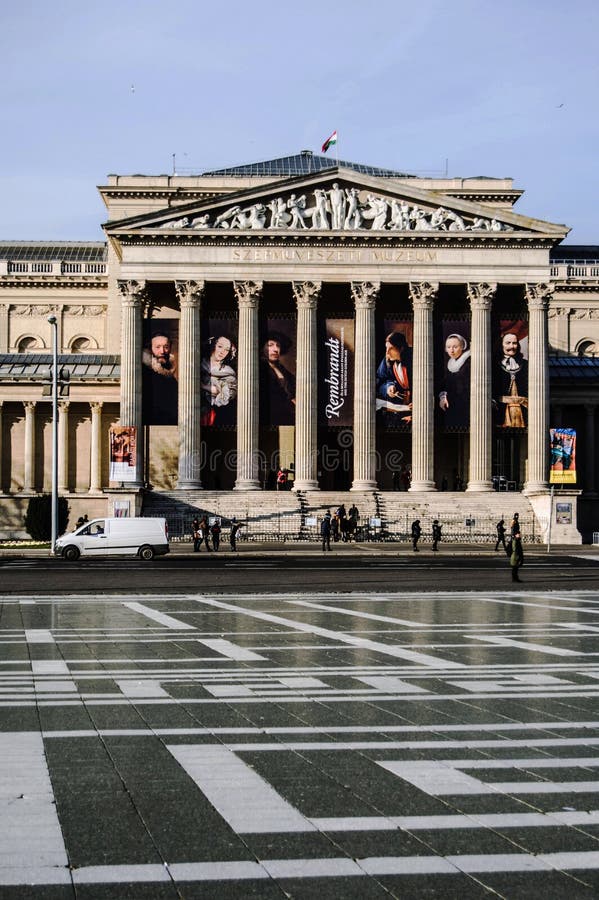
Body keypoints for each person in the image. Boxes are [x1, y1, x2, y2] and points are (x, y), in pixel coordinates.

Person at [142, 330, 178, 425]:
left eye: (166, 347)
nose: (162, 351)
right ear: (150, 349)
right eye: (157, 347)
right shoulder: (144, 372)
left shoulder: (169, 372)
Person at [376, 331, 413, 426]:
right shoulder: (387, 360)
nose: (387, 352)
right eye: (386, 348)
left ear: (401, 348)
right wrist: (389, 387)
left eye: (391, 348)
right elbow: (380, 380)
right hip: (397, 409)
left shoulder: (414, 358)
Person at [200, 335, 237, 426]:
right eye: (220, 347)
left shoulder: (228, 371)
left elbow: (226, 394)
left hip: (218, 414)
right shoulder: (199, 364)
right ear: (213, 346)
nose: (222, 352)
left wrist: (202, 386)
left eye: (226, 350)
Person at [493, 332, 529, 428]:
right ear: (501, 345)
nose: (512, 346)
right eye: (508, 343)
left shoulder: (526, 365)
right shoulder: (493, 364)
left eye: (514, 343)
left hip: (523, 414)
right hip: (500, 414)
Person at [260, 333, 296, 425]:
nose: (276, 349)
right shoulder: (260, 367)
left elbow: (294, 385)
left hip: (287, 413)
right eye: (270, 345)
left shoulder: (281, 368)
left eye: (278, 346)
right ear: (262, 347)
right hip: (271, 414)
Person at [438, 333, 471, 427]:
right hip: (451, 403)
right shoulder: (450, 362)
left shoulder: (468, 362)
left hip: (465, 404)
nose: (451, 351)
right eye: (448, 347)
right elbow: (446, 383)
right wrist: (443, 397)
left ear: (462, 347)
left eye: (455, 347)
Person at [509, 513, 524, 582]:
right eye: (516, 515)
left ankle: (515, 578)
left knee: (515, 567)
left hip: (515, 555)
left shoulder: (515, 521)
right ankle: (515, 578)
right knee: (515, 567)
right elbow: (513, 529)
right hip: (515, 556)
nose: (517, 517)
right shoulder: (514, 521)